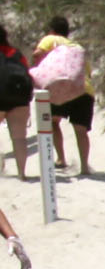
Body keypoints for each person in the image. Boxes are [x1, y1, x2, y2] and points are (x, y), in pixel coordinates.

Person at [28, 18, 90, 177]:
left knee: (53, 121)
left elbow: (37, 54)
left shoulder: (50, 39)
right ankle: (84, 166)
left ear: (52, 30)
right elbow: (87, 71)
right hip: (82, 89)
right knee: (81, 130)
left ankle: (61, 158)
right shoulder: (76, 48)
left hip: (58, 85)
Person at [0, 24, 33, 180]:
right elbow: (27, 73)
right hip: (19, 97)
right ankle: (21, 173)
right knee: (19, 137)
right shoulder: (16, 53)